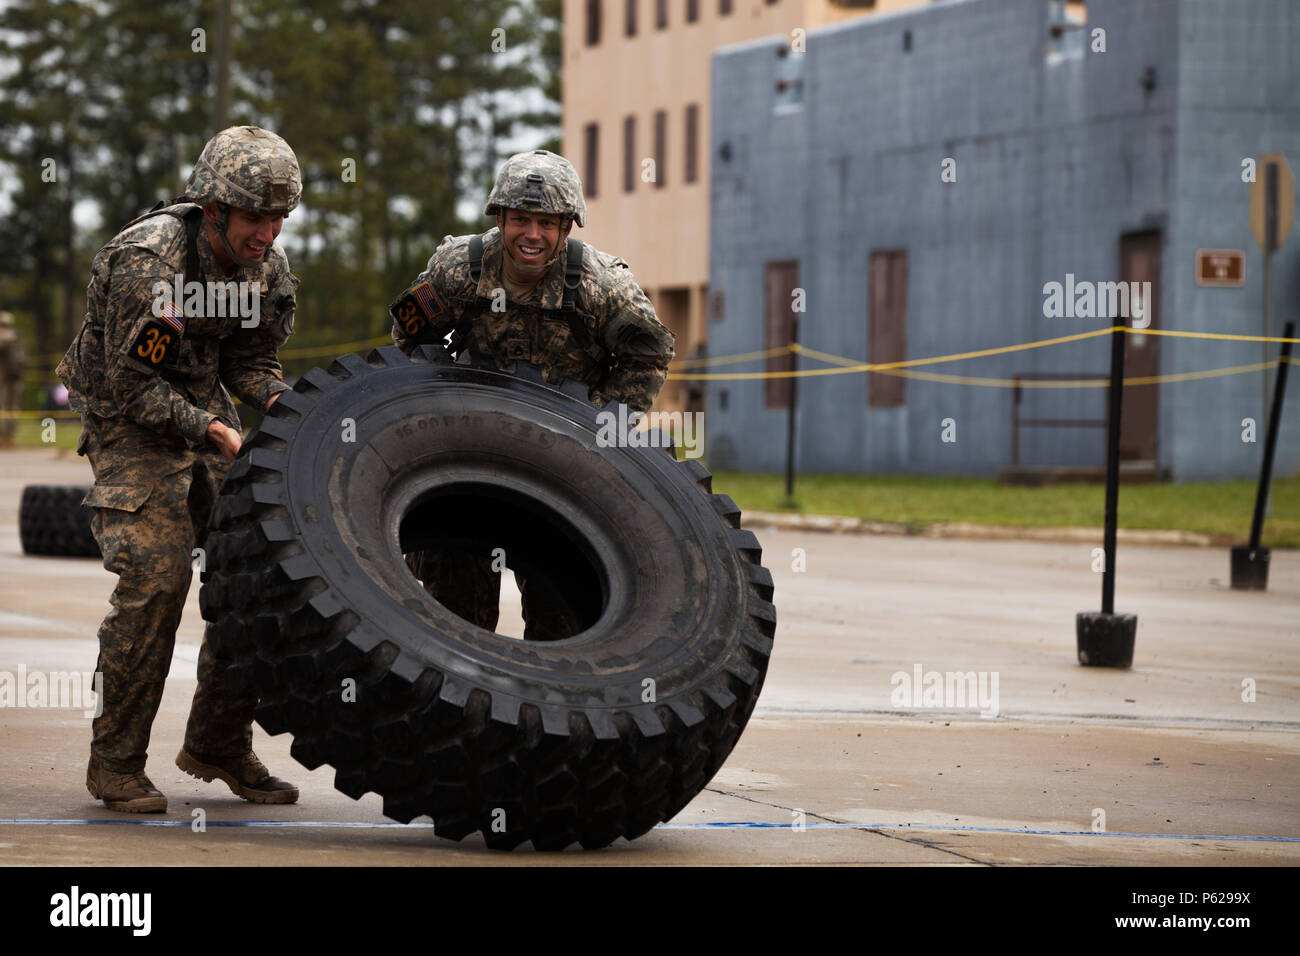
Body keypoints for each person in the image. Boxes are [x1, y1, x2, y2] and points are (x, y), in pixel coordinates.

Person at [57, 125, 302, 812]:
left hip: (204, 410)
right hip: (126, 418)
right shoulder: (153, 261)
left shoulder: (266, 269)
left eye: (280, 217)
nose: (268, 232)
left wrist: (285, 402)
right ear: (215, 209)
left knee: (259, 573)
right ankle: (115, 764)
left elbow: (249, 364)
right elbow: (134, 385)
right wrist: (213, 428)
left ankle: (219, 742)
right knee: (157, 579)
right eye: (256, 216)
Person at [389, 148, 675, 641]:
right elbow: (408, 332)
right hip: (468, 458)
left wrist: (598, 424)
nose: (533, 235)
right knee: (452, 620)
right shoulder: (460, 269)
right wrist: (438, 404)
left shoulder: (600, 287)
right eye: (521, 219)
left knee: (561, 622)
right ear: (500, 217)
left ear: (567, 227)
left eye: (547, 222)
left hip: (560, 467)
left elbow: (648, 355)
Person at [0, 311, 26, 447]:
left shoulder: (7, 338)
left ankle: (6, 438)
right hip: (14, 378)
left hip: (6, 379)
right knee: (11, 408)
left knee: (6, 408)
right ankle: (9, 437)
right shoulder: (15, 337)